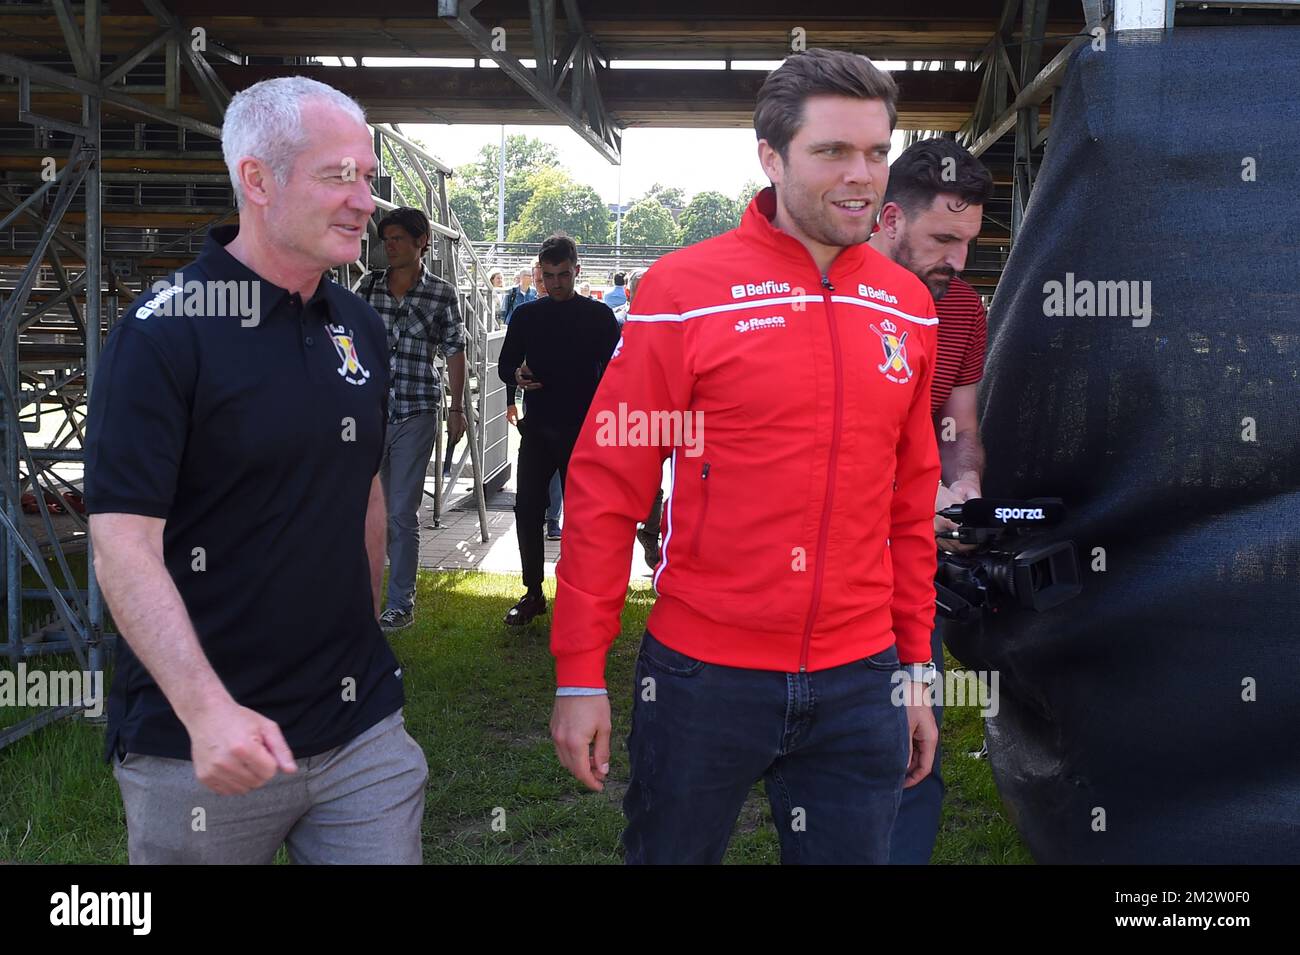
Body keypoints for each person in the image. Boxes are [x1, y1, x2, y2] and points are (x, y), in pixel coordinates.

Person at [549, 49, 941, 864]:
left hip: (862, 674)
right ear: (770, 156)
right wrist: (580, 671)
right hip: (702, 674)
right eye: (832, 151)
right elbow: (605, 482)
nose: (862, 176)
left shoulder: (906, 304)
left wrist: (914, 666)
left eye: (876, 151)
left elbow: (911, 498)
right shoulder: (684, 288)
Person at [85, 76, 427, 865]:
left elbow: (365, 493)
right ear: (258, 180)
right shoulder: (164, 333)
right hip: (196, 744)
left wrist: (364, 645)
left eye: (369, 178)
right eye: (339, 176)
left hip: (359, 733)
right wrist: (206, 709)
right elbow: (122, 544)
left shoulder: (360, 328)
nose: (364, 201)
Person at [867, 137, 992, 864]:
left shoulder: (965, 308)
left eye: (970, 241)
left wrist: (965, 486)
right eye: (943, 237)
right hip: (817, 574)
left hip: (913, 576)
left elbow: (961, 428)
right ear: (888, 218)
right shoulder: (837, 295)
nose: (958, 259)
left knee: (916, 745)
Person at [496, 234, 620, 626]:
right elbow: (505, 366)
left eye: (563, 275)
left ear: (576, 270)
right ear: (539, 276)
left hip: (585, 432)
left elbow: (620, 373)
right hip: (539, 431)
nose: (556, 283)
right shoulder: (527, 315)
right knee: (527, 509)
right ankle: (533, 592)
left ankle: (580, 595)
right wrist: (517, 375)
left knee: (584, 520)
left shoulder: (599, 316)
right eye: (548, 276)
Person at [357, 207, 466, 633]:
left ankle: (400, 603)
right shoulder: (367, 288)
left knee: (402, 511)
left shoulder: (442, 293)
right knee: (368, 513)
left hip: (418, 409)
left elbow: (455, 349)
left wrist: (458, 407)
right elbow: (343, 339)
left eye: (399, 237)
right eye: (387, 238)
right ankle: (362, 600)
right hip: (368, 414)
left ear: (423, 241)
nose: (391, 245)